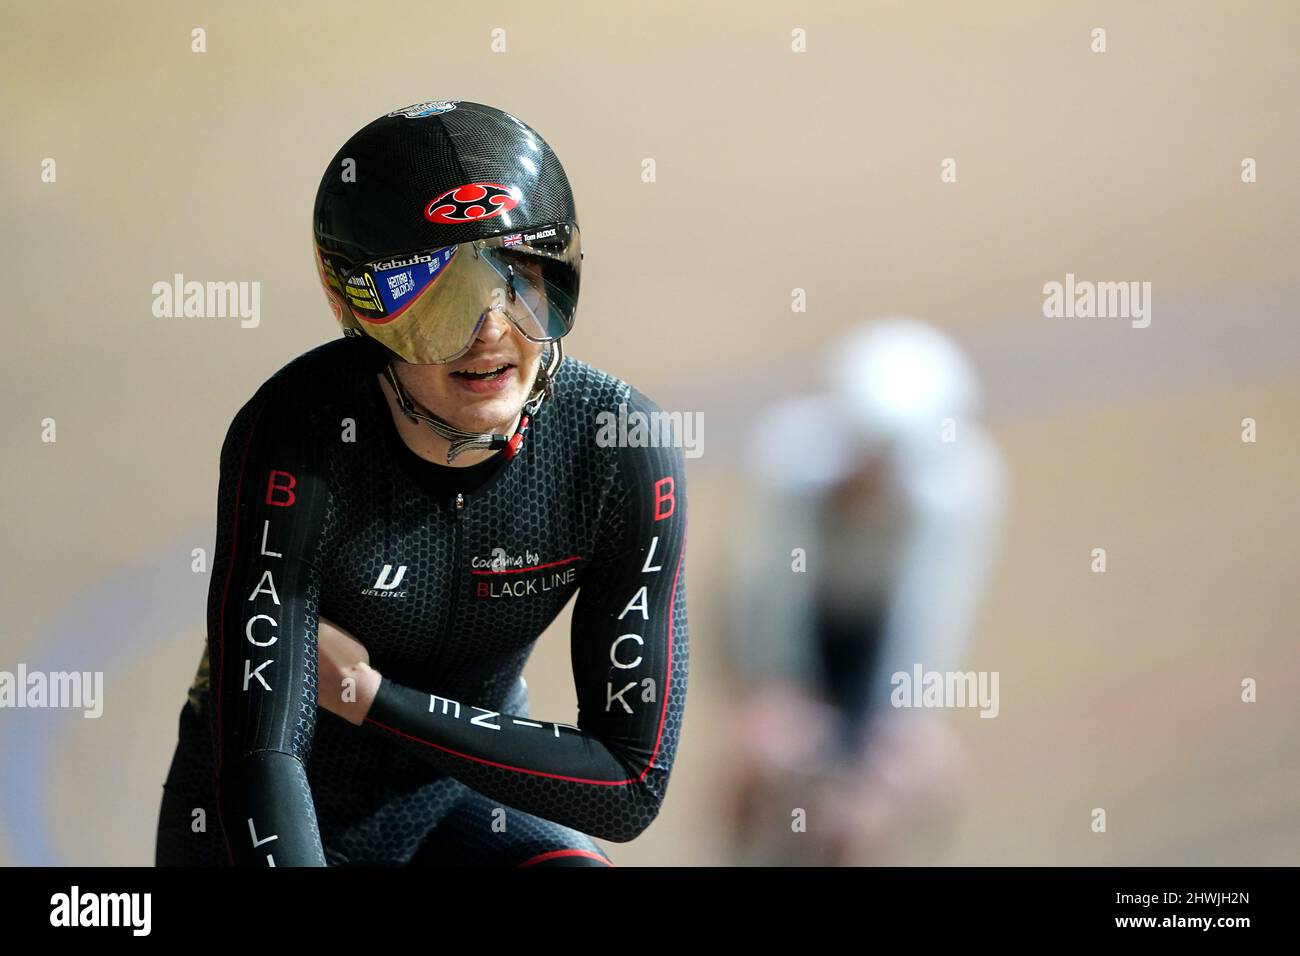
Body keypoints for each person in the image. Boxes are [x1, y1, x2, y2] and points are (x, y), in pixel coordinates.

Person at [154, 100, 689, 867]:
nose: (492, 331)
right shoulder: (297, 433)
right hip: (261, 809)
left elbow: (629, 785)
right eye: (440, 296)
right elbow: (260, 758)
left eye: (522, 276)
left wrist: (373, 699)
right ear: (359, 311)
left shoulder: (616, 445)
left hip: (459, 807)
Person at [723, 318, 1004, 865]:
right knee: (756, 756)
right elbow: (769, 596)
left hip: (876, 627)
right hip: (789, 615)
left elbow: (929, 612)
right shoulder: (791, 461)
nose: (874, 488)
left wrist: (903, 723)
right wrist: (774, 691)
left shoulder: (963, 490)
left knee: (885, 791)